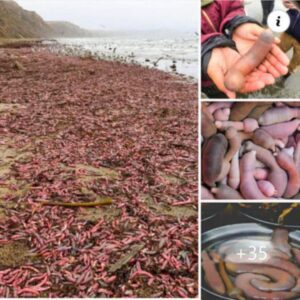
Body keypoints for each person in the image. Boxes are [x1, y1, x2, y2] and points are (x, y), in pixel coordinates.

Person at [201, 0, 290, 98]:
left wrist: (237, 22)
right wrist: (205, 51)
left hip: (227, 61)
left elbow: (233, 6)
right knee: (218, 92)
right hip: (206, 75)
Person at [279, 0, 300, 76]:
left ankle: (288, 72)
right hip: (288, 30)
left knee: (297, 60)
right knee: (279, 49)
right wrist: (288, 3)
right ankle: (270, 65)